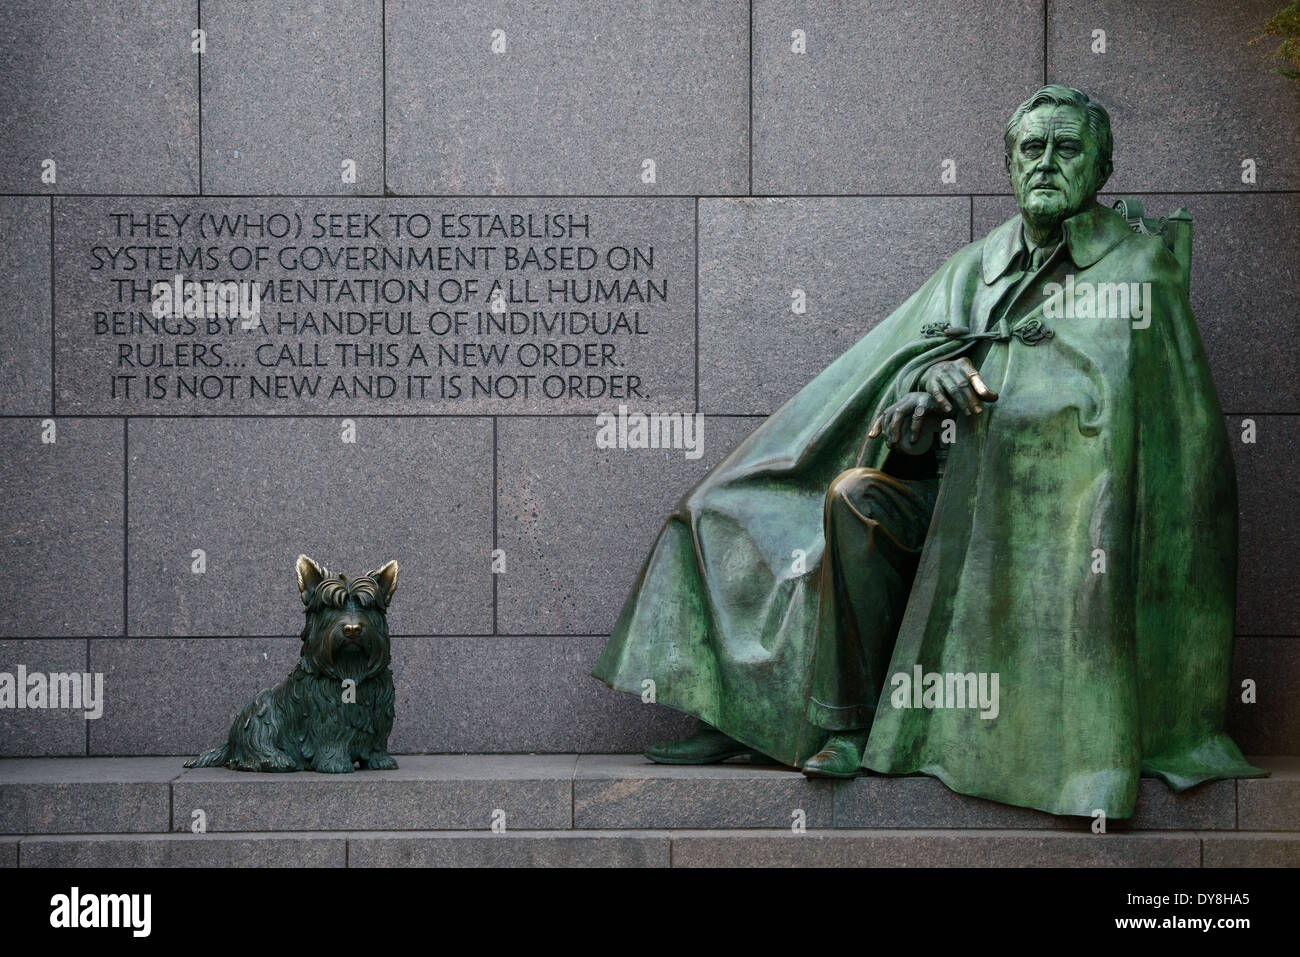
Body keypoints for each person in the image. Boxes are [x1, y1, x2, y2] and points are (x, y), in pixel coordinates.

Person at [592, 85, 1264, 818]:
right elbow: (892, 375)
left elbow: (1168, 442)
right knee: (825, 498)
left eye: (1067, 148)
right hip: (941, 493)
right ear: (1009, 166)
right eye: (1030, 149)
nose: (1045, 164)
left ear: (1101, 168)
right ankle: (804, 719)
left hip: (1051, 521)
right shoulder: (976, 265)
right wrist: (919, 391)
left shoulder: (1139, 272)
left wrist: (1006, 412)